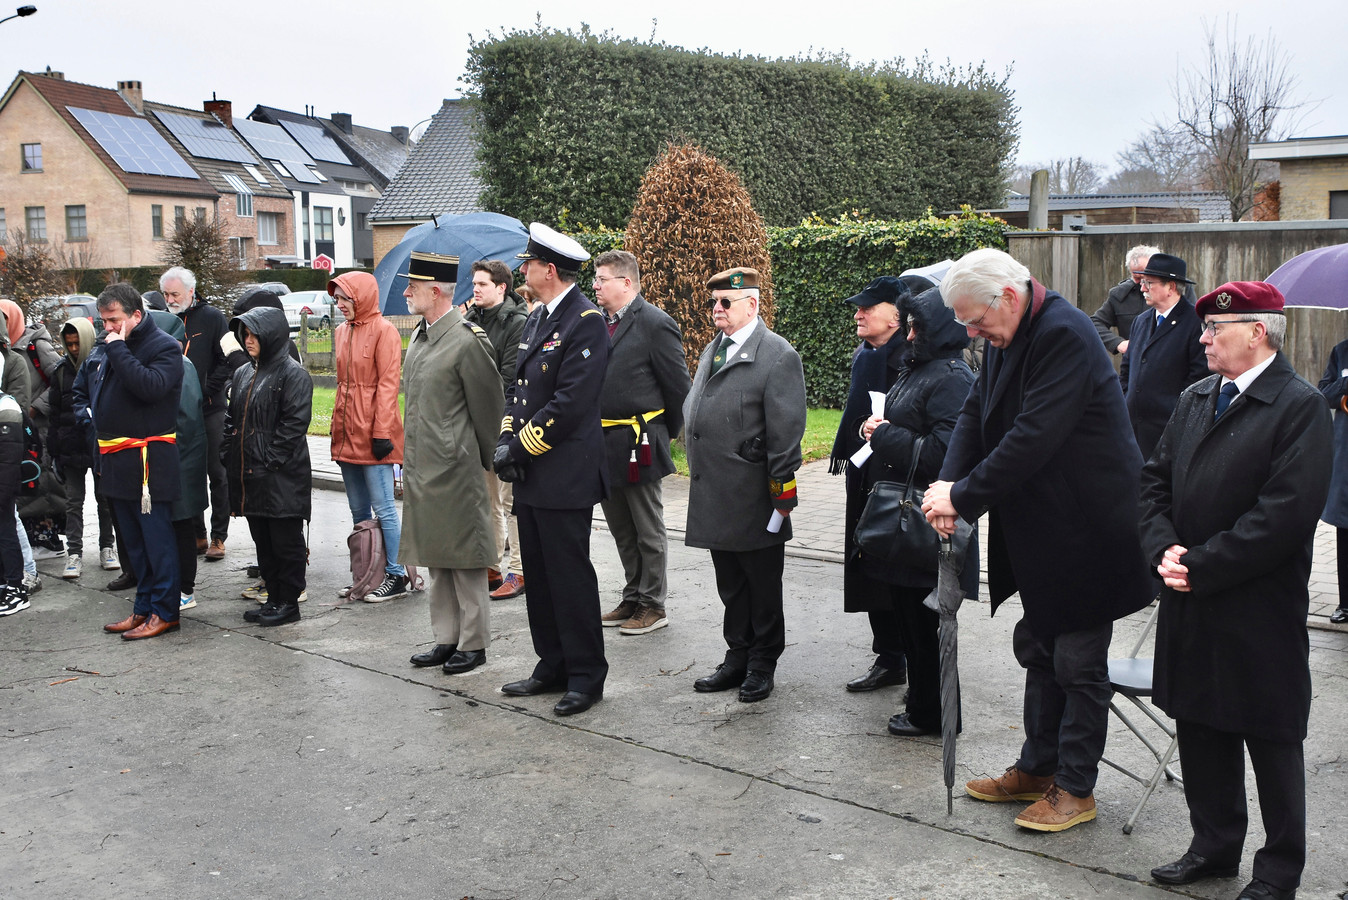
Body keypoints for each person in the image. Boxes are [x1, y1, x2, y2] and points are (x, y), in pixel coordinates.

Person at [921, 248, 1152, 832]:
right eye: (965, 325)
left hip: (1088, 530)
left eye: (976, 321)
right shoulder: (1008, 332)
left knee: (1077, 661)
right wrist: (948, 482)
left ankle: (1075, 787)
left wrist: (964, 498)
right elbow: (977, 408)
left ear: (1009, 296)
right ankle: (1035, 768)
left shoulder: (1064, 334)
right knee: (1040, 649)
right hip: (1043, 527)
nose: (972, 333)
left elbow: (1032, 437)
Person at [1140, 282, 1332, 900]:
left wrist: (1202, 564)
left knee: (1271, 736)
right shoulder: (1197, 396)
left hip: (1256, 606)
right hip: (1190, 593)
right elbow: (1153, 482)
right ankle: (1214, 846)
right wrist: (1162, 546)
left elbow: (1285, 514)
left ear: (1257, 332)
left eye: (1213, 330)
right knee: (1200, 725)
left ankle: (1278, 871)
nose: (1202, 339)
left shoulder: (1299, 406)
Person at [494, 224, 610, 717]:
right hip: (533, 473)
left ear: (549, 270)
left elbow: (568, 404)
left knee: (568, 576)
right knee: (538, 575)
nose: (522, 270)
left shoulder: (584, 320)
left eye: (528, 264)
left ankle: (585, 675)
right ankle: (552, 664)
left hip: (564, 472)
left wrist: (518, 448)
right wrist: (505, 438)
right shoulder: (538, 317)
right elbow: (520, 393)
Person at [685, 266, 807, 704]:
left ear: (751, 304)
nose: (716, 310)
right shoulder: (714, 349)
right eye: (713, 302)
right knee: (730, 584)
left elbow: (786, 431)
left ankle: (762, 663)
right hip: (716, 492)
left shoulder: (776, 354)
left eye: (725, 303)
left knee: (761, 584)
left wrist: (781, 494)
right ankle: (736, 655)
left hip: (755, 496)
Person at [860, 284, 977, 736]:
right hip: (909, 519)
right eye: (908, 325)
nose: (908, 336)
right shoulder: (921, 367)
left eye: (916, 326)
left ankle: (933, 714)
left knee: (928, 626)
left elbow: (946, 454)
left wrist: (885, 435)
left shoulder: (951, 375)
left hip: (930, 524)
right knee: (911, 620)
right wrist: (875, 426)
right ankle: (924, 703)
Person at [399, 251, 503, 674]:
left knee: (466, 558)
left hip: (457, 468)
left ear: (436, 290)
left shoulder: (466, 340)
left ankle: (473, 643)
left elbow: (489, 411)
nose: (407, 292)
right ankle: (447, 638)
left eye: (413, 286)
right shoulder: (420, 337)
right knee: (436, 555)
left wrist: (482, 465)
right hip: (424, 467)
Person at [594, 250, 690, 635]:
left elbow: (679, 388)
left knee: (647, 528)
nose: (596, 286)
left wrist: (662, 434)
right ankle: (633, 595)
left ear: (626, 283)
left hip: (640, 442)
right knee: (620, 527)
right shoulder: (599, 324)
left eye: (602, 279)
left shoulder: (655, 323)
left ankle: (653, 604)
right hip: (605, 442)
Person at [833, 276, 914, 693]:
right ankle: (888, 654)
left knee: (894, 569)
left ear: (896, 316)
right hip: (863, 475)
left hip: (898, 482)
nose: (858, 314)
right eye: (858, 307)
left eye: (868, 307)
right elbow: (851, 414)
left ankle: (903, 655)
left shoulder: (912, 358)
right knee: (866, 564)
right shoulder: (866, 355)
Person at [94, 284, 184, 641]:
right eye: (103, 322)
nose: (108, 328)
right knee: (133, 544)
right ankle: (143, 607)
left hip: (149, 461)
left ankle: (165, 611)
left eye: (114, 320)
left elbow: (149, 387)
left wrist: (116, 347)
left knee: (157, 542)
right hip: (118, 458)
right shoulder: (114, 344)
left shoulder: (163, 346)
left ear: (135, 315)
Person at [223, 306, 313, 627]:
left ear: (270, 335)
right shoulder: (244, 373)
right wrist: (228, 455)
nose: (247, 340)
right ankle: (273, 598)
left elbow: (293, 425)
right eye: (244, 334)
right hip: (252, 477)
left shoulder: (293, 374)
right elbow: (231, 419)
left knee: (286, 543)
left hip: (281, 478)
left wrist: (269, 461)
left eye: (253, 334)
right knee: (263, 541)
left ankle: (288, 601)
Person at [328, 271, 410, 602]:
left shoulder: (385, 332)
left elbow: (389, 386)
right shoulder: (340, 332)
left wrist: (381, 433)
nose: (340, 304)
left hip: (374, 434)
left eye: (345, 298)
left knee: (384, 508)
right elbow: (342, 387)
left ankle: (396, 573)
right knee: (358, 510)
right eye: (337, 299)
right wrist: (338, 431)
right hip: (347, 434)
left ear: (360, 297)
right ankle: (365, 575)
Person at [465, 259, 530, 600]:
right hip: (477, 422)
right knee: (486, 499)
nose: (474, 289)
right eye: (474, 284)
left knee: (509, 499)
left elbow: (509, 379)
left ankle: (519, 570)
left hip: (506, 423)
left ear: (501, 288)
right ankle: (491, 566)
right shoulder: (470, 319)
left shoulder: (517, 323)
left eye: (482, 284)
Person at [162, 266, 231, 562]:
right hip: (177, 412)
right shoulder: (162, 321)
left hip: (211, 408)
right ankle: (197, 533)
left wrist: (205, 390)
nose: (170, 299)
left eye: (175, 294)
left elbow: (228, 359)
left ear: (191, 291)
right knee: (187, 474)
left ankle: (219, 536)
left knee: (217, 473)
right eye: (165, 294)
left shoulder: (213, 318)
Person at [47, 317, 118, 580]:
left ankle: (107, 547)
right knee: (73, 502)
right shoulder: (60, 372)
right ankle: (74, 553)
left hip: (98, 443)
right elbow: (54, 415)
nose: (74, 349)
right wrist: (53, 452)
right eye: (69, 344)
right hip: (70, 446)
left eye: (78, 343)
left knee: (105, 500)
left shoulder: (101, 364)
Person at [1119, 252, 1208, 461]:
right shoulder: (1141, 321)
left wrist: (1176, 417)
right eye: (1142, 282)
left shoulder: (1195, 323)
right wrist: (1126, 403)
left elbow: (1199, 378)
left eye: (1149, 283)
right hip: (1134, 431)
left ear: (1171, 287)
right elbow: (1127, 369)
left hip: (1170, 433)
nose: (1142, 288)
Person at [147, 310, 207, 613]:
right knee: (174, 524)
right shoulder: (169, 363)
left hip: (180, 460)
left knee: (182, 525)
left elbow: (183, 418)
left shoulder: (179, 365)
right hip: (174, 459)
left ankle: (185, 588)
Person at [1318, 336, 1348, 625]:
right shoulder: (1341, 350)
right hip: (1347, 454)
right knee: (1345, 528)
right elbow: (1323, 393)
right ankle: (1346, 603)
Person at [1090, 245, 1159, 357]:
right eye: (1137, 277)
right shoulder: (1120, 295)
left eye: (1146, 278)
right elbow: (1095, 323)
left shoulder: (1176, 293)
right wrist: (1118, 343)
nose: (1142, 283)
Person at [0, 387, 30, 617]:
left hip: (4, 486)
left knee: (6, 532)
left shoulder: (6, 406)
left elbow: (10, 458)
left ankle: (16, 589)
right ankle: (6, 585)